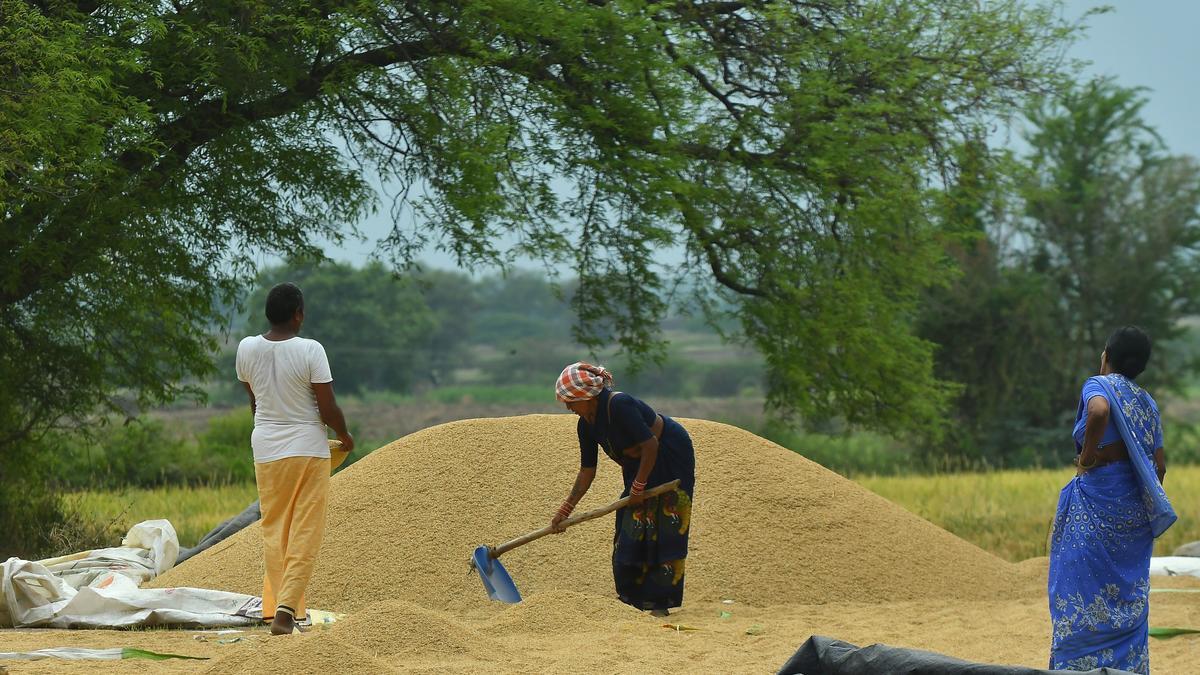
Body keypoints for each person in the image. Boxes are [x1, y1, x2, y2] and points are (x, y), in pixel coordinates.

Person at [1048, 326, 1175, 673]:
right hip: (1133, 511)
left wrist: (1087, 458)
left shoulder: (1098, 385)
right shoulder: (1146, 403)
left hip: (1097, 502)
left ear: (1107, 356)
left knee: (1081, 589)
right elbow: (1159, 466)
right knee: (1126, 596)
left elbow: (1099, 412)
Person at [236, 282, 354, 635]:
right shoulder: (310, 350)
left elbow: (255, 401)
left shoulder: (246, 349)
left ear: (269, 314)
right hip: (307, 449)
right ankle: (287, 610)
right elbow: (327, 407)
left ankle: (280, 612)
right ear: (298, 314)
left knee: (274, 529)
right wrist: (345, 436)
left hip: (267, 450)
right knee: (305, 530)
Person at [550, 362, 695, 617]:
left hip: (668, 452)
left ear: (587, 395)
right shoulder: (586, 424)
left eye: (571, 401)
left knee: (663, 522)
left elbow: (650, 445)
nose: (568, 407)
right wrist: (566, 509)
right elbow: (587, 471)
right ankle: (631, 600)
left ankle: (658, 604)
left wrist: (637, 488)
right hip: (638, 462)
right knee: (631, 524)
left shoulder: (619, 405)